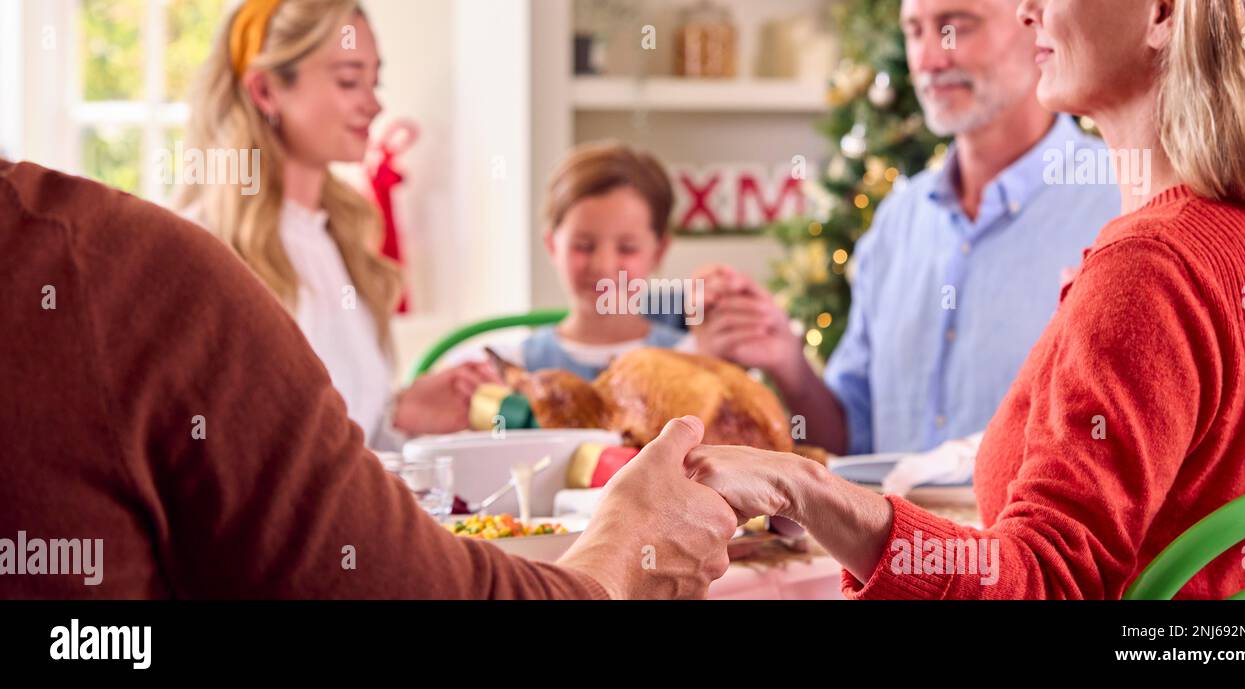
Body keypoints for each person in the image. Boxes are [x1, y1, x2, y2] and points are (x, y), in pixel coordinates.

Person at [683, 0, 1245, 599]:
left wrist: (801, 485)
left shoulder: (1149, 266)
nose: (1029, 9)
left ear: (1162, 12)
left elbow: (1044, 585)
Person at [0, 158, 736, 599]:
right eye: (351, 78)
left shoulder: (315, 248)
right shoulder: (135, 272)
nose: (373, 104)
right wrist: (613, 565)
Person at [693, 0, 1120, 458]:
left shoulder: (1117, 202)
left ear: (1034, 23)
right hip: (901, 534)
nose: (929, 59)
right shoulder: (898, 220)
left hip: (1038, 532)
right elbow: (850, 445)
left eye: (956, 27)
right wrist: (787, 361)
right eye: (915, 31)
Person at [177, 0, 495, 445]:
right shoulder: (200, 250)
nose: (374, 104)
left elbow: (347, 443)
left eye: (374, 80)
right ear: (266, 90)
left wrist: (400, 413)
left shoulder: (340, 240)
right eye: (349, 80)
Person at [445, 142, 692, 382]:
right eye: (583, 246)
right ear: (552, 245)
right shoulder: (508, 367)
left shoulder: (692, 360)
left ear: (659, 252)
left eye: (627, 248)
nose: (603, 266)